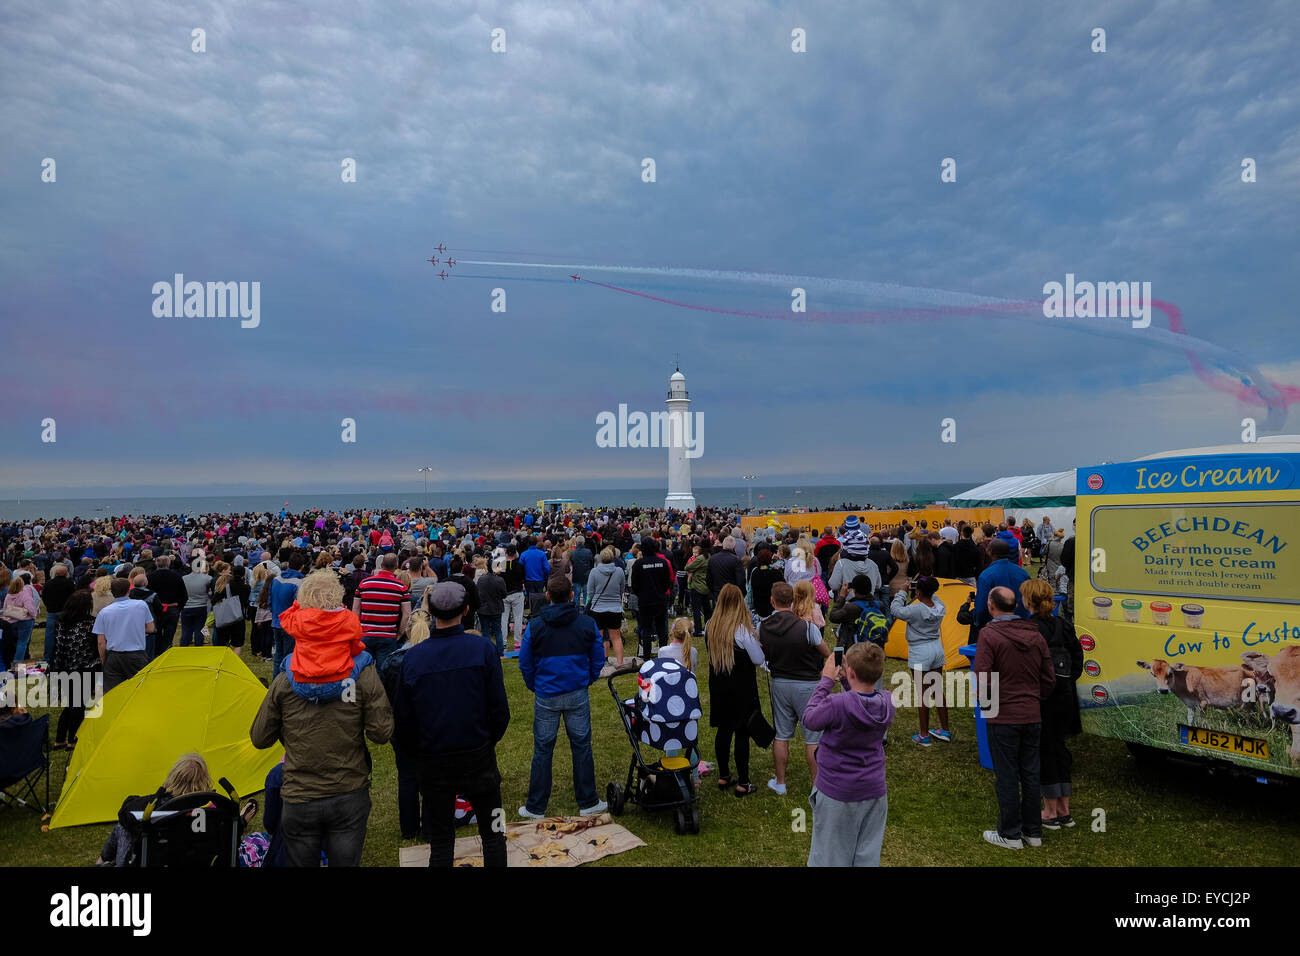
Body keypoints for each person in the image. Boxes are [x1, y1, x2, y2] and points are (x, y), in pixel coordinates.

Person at [250, 570, 394, 867]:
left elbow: (260, 736)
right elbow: (381, 732)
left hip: (301, 794)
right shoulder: (363, 671)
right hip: (347, 792)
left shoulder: (285, 679)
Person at [391, 580, 510, 865]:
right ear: (467, 610)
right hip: (466, 757)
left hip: (445, 759)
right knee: (488, 835)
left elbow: (499, 711)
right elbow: (499, 711)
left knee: (451, 840)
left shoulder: (416, 657)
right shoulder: (480, 649)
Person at [972, 586, 1055, 850]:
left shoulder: (990, 634)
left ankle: (1010, 833)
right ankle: (1032, 830)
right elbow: (1048, 677)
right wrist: (1033, 698)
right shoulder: (1034, 634)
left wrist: (987, 706)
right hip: (1031, 712)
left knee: (1007, 774)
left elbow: (982, 676)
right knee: (1030, 772)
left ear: (991, 605)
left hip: (1004, 714)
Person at [518, 573, 607, 819]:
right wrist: (585, 678)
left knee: (545, 748)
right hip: (567, 690)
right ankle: (584, 801)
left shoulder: (538, 625)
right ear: (571, 595)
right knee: (580, 746)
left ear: (548, 596)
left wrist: (586, 678)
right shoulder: (582, 624)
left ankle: (538, 806)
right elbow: (598, 657)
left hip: (554, 691)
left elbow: (526, 662)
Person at [803, 642, 894, 866]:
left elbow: (810, 719)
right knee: (866, 855)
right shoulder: (887, 702)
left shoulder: (837, 704)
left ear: (851, 671)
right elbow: (860, 703)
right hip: (874, 791)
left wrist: (826, 680)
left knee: (829, 856)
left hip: (838, 793)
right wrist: (846, 681)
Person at [1020, 579, 1082, 830]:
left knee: (1044, 749)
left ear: (1028, 601)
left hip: (1042, 696)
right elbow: (1078, 657)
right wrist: (1067, 681)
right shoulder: (1063, 626)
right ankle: (1064, 808)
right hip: (1065, 694)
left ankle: (1050, 810)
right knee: (1059, 747)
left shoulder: (1029, 629)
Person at [759, 581, 831, 795]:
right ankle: (817, 786)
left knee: (781, 734)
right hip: (808, 684)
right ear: (792, 600)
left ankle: (780, 782)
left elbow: (761, 653)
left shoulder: (763, 626)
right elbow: (826, 652)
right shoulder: (807, 627)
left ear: (772, 601)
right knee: (812, 737)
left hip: (780, 683)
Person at [706, 584, 765, 797]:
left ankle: (723, 775)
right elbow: (758, 659)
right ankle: (743, 781)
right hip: (741, 688)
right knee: (742, 733)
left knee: (723, 729)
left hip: (719, 686)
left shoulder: (710, 626)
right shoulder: (741, 630)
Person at [892, 577, 950, 745]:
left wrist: (902, 591)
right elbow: (933, 596)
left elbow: (895, 610)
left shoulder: (915, 609)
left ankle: (924, 734)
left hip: (919, 650)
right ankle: (945, 729)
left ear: (918, 592)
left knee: (923, 694)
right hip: (936, 648)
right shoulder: (940, 606)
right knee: (937, 689)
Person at [50, 587, 98, 750]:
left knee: (71, 704)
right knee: (78, 705)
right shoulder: (89, 622)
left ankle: (60, 738)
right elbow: (94, 645)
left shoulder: (61, 621)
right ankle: (73, 739)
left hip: (63, 666)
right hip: (84, 667)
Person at [94, 577, 156, 692]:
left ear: (112, 592)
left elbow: (101, 642)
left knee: (113, 693)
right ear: (129, 590)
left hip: (114, 656)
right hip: (136, 655)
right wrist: (134, 629)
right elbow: (151, 628)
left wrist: (104, 660)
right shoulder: (141, 605)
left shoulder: (104, 612)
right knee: (139, 691)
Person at [973, 539, 1030, 637]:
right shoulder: (1022, 573)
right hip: (1021, 627)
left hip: (995, 629)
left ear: (989, 552)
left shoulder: (986, 575)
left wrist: (979, 624)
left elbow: (981, 607)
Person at [629, 537, 672, 659]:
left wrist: (642, 595)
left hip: (645, 601)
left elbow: (634, 584)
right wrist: (660, 592)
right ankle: (663, 655)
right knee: (661, 629)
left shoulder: (638, 564)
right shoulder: (662, 562)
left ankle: (647, 657)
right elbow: (667, 582)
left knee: (646, 629)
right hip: (660, 599)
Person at [586, 546, 627, 667]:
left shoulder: (594, 572)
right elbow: (621, 589)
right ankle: (620, 663)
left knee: (598, 638)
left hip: (598, 609)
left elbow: (590, 592)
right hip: (614, 608)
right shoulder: (619, 571)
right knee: (616, 637)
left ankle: (599, 661)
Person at [269, 553, 306, 675]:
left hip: (276, 621)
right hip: (290, 624)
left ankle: (277, 681)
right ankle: (284, 684)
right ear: (302, 567)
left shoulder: (276, 579)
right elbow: (300, 605)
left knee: (278, 655)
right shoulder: (298, 583)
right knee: (288, 656)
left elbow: (270, 600)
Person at [146, 555, 186, 656]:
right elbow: (184, 595)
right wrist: (178, 607)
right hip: (172, 608)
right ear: (168, 564)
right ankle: (165, 653)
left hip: (156, 609)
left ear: (157, 563)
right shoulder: (176, 576)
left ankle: (158, 653)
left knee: (156, 633)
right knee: (169, 634)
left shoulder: (150, 577)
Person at [41, 564, 76, 665]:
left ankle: (48, 657)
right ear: (66, 573)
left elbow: (44, 596)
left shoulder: (48, 583)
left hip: (52, 611)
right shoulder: (69, 583)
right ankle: (66, 655)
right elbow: (73, 596)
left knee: (49, 634)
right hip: (65, 611)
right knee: (66, 633)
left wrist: (48, 606)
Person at [3, 574, 38, 666]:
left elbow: (5, 608)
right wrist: (34, 615)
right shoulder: (24, 594)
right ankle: (17, 663)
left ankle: (12, 661)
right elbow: (30, 608)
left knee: (14, 642)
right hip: (25, 621)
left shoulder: (9, 595)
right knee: (22, 643)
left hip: (12, 621)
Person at [475, 557, 507, 656]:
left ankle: (488, 652)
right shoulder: (499, 580)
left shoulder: (481, 580)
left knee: (486, 632)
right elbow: (504, 594)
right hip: (495, 608)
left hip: (485, 608)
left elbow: (479, 593)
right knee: (497, 631)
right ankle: (500, 652)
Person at [179, 556, 213, 647]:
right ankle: (198, 647)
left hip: (186, 607)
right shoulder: (208, 578)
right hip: (201, 606)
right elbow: (210, 593)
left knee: (186, 629)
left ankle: (183, 648)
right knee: (199, 628)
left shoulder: (184, 578)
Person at [500, 545, 526, 651]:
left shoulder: (502, 565)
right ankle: (517, 641)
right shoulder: (519, 565)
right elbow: (523, 578)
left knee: (504, 619)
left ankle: (504, 642)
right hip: (515, 593)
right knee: (518, 618)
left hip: (508, 594)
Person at [706, 538, 746, 604]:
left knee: (720, 613)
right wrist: (742, 593)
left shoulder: (713, 559)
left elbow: (708, 579)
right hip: (731, 594)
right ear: (734, 546)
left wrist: (713, 592)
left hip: (718, 593)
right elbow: (741, 580)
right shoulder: (736, 560)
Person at [684, 544, 711, 637]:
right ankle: (708, 627)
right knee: (707, 608)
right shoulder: (709, 557)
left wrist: (693, 570)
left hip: (697, 586)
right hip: (706, 585)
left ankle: (698, 629)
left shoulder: (699, 559)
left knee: (696, 609)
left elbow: (687, 567)